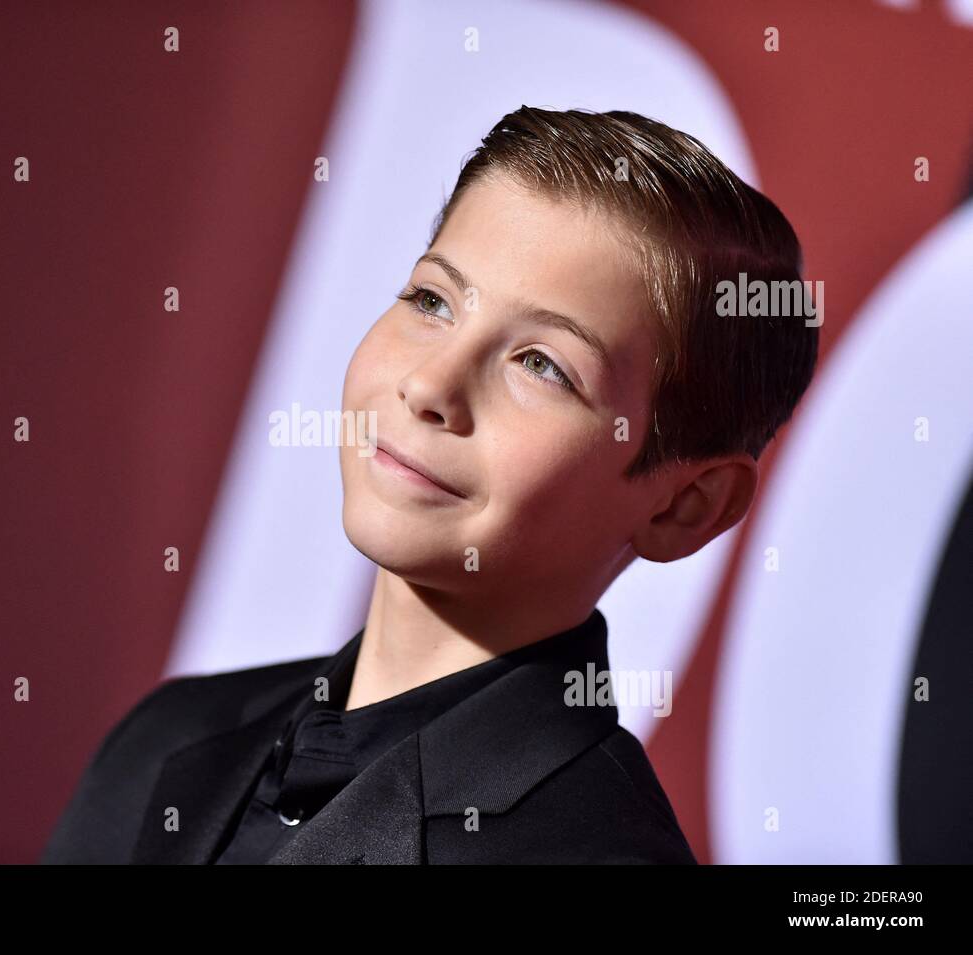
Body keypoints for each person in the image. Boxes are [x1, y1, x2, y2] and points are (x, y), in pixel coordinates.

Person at [41, 106, 818, 864]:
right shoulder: (166, 739)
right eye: (432, 300)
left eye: (542, 365)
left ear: (687, 506)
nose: (430, 384)